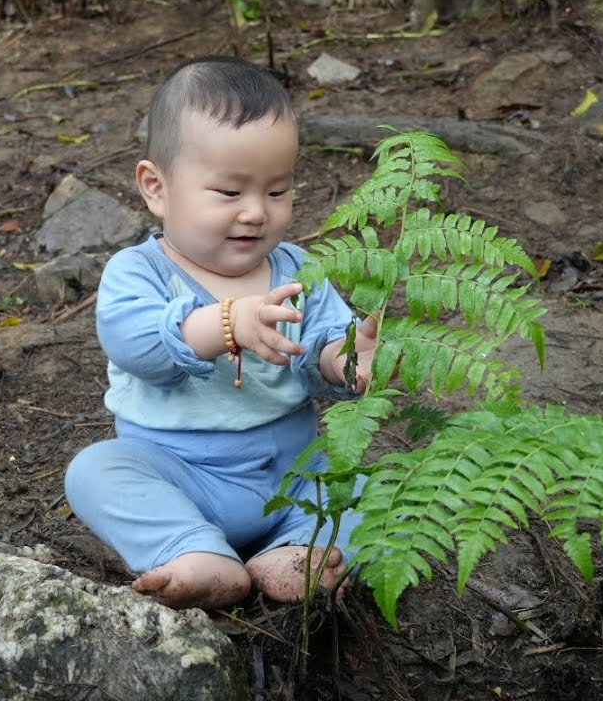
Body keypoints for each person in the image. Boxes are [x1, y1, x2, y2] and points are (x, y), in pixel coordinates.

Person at [64, 56, 378, 610]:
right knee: (94, 471)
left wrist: (345, 358)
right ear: (156, 188)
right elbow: (134, 343)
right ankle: (193, 550)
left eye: (277, 191)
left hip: (295, 473)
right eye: (230, 193)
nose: (256, 213)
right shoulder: (139, 272)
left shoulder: (298, 269)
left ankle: (295, 550)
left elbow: (324, 342)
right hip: (182, 475)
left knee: (377, 485)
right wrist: (225, 323)